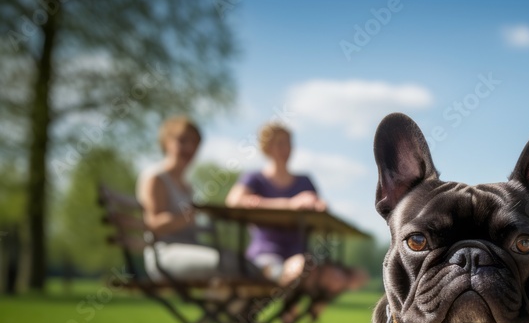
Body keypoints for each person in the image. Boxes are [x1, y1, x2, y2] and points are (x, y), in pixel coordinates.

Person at [225, 122, 365, 299]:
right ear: (267, 147)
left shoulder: (304, 181)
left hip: (300, 255)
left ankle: (291, 318)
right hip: (265, 255)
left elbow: (321, 207)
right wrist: (291, 204)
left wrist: (318, 206)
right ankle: (285, 310)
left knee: (349, 276)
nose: (286, 149)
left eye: (289, 143)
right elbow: (233, 201)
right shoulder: (255, 179)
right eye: (279, 143)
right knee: (299, 269)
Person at [137, 116, 252, 282]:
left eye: (194, 143)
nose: (189, 148)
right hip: (165, 255)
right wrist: (187, 217)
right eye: (183, 141)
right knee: (230, 263)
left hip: (192, 249)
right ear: (166, 142)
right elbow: (154, 224)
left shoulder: (187, 186)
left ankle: (220, 306)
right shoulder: (156, 178)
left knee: (243, 263)